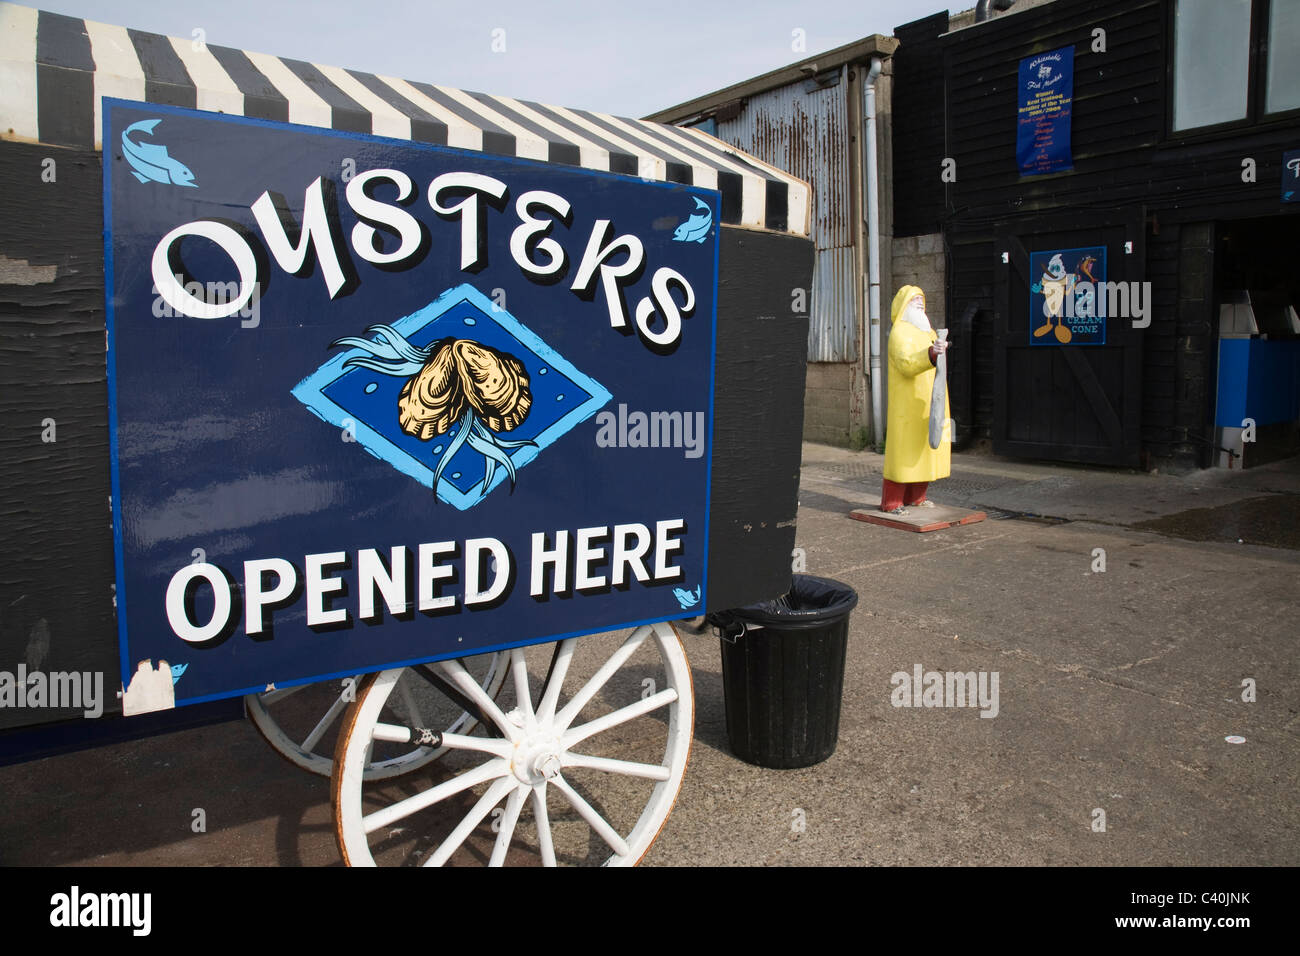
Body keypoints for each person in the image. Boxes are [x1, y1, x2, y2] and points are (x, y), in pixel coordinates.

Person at [880, 285, 950, 514]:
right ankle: (892, 502)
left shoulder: (928, 333)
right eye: (914, 299)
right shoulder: (900, 333)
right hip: (907, 406)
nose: (920, 302)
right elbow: (907, 363)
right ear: (903, 305)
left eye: (922, 298)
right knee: (903, 452)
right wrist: (931, 354)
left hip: (929, 403)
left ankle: (917, 497)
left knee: (926, 451)